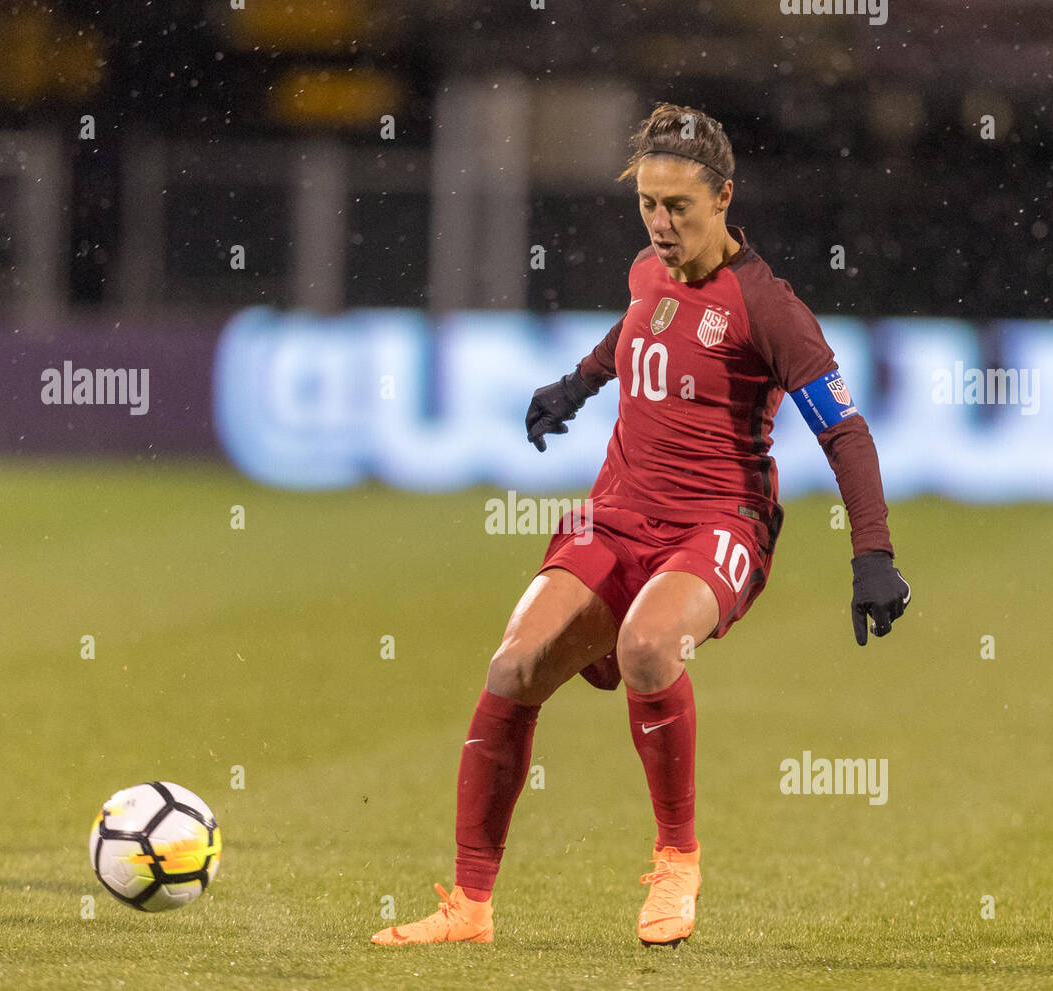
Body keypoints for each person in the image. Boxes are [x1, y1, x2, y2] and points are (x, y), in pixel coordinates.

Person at [373, 102, 910, 948]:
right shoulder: (647, 270)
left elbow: (843, 431)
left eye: (678, 207)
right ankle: (469, 906)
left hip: (718, 523)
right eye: (648, 205)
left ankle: (677, 859)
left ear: (723, 197)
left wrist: (871, 553)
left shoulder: (768, 309)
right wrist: (580, 383)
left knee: (649, 646)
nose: (660, 223)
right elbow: (635, 322)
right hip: (618, 512)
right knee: (513, 665)